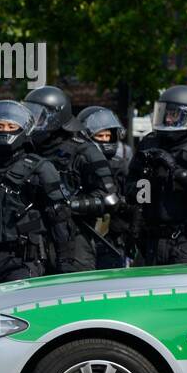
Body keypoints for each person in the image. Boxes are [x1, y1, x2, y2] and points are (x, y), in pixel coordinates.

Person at [0, 101, 73, 284]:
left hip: (23, 261)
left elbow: (59, 219)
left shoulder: (40, 168)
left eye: (11, 126)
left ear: (23, 130)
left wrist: (65, 264)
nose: (4, 131)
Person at [24, 86, 120, 273]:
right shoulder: (29, 150)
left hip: (74, 241)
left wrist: (69, 205)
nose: (34, 121)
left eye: (39, 115)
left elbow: (110, 199)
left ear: (55, 117)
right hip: (35, 242)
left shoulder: (84, 151)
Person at [127, 85, 187, 265]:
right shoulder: (150, 143)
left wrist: (177, 171)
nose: (168, 119)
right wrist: (147, 178)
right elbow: (131, 191)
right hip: (152, 241)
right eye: (164, 113)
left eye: (174, 114)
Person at [78, 106, 130, 268]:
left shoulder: (120, 165)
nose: (106, 140)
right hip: (83, 236)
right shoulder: (76, 163)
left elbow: (133, 198)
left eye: (109, 135)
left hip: (113, 240)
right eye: (100, 136)